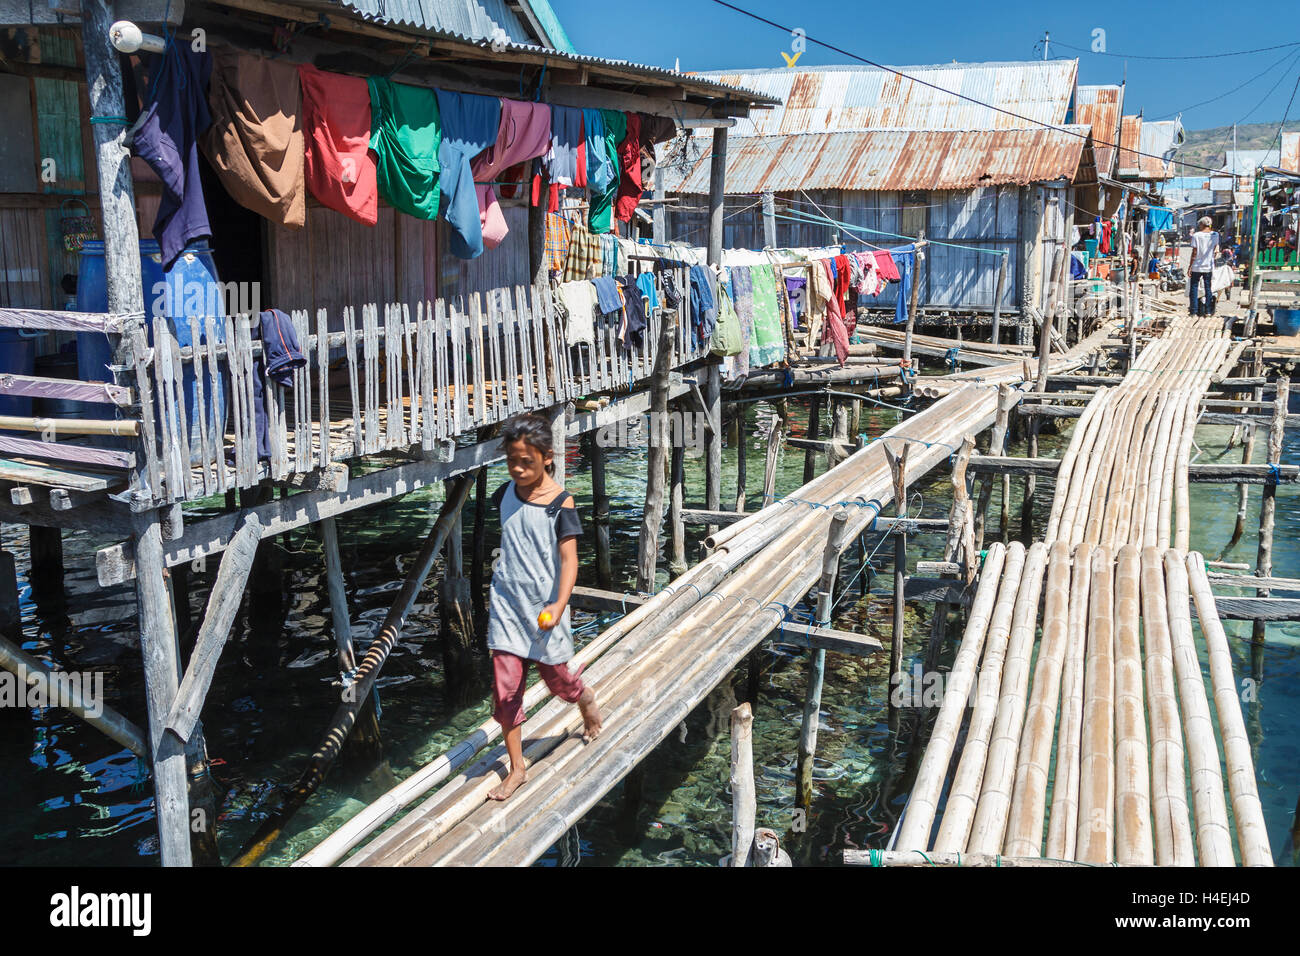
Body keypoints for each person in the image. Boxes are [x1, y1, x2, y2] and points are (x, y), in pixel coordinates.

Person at [485, 412, 601, 801]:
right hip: (506, 607)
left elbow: (570, 562)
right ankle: (518, 768)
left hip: (545, 610)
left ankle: (583, 697)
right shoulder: (503, 495)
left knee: (558, 682)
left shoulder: (560, 504)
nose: (517, 469)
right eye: (511, 461)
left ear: (548, 457)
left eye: (527, 462)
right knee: (505, 691)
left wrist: (557, 604)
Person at [1188, 215, 1220, 316]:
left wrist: (1190, 266)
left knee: (1194, 288)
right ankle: (1208, 311)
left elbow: (1194, 252)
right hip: (1208, 266)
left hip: (1197, 266)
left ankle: (1193, 311)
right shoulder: (1215, 235)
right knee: (1208, 288)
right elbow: (1215, 249)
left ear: (1202, 224)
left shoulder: (1196, 235)